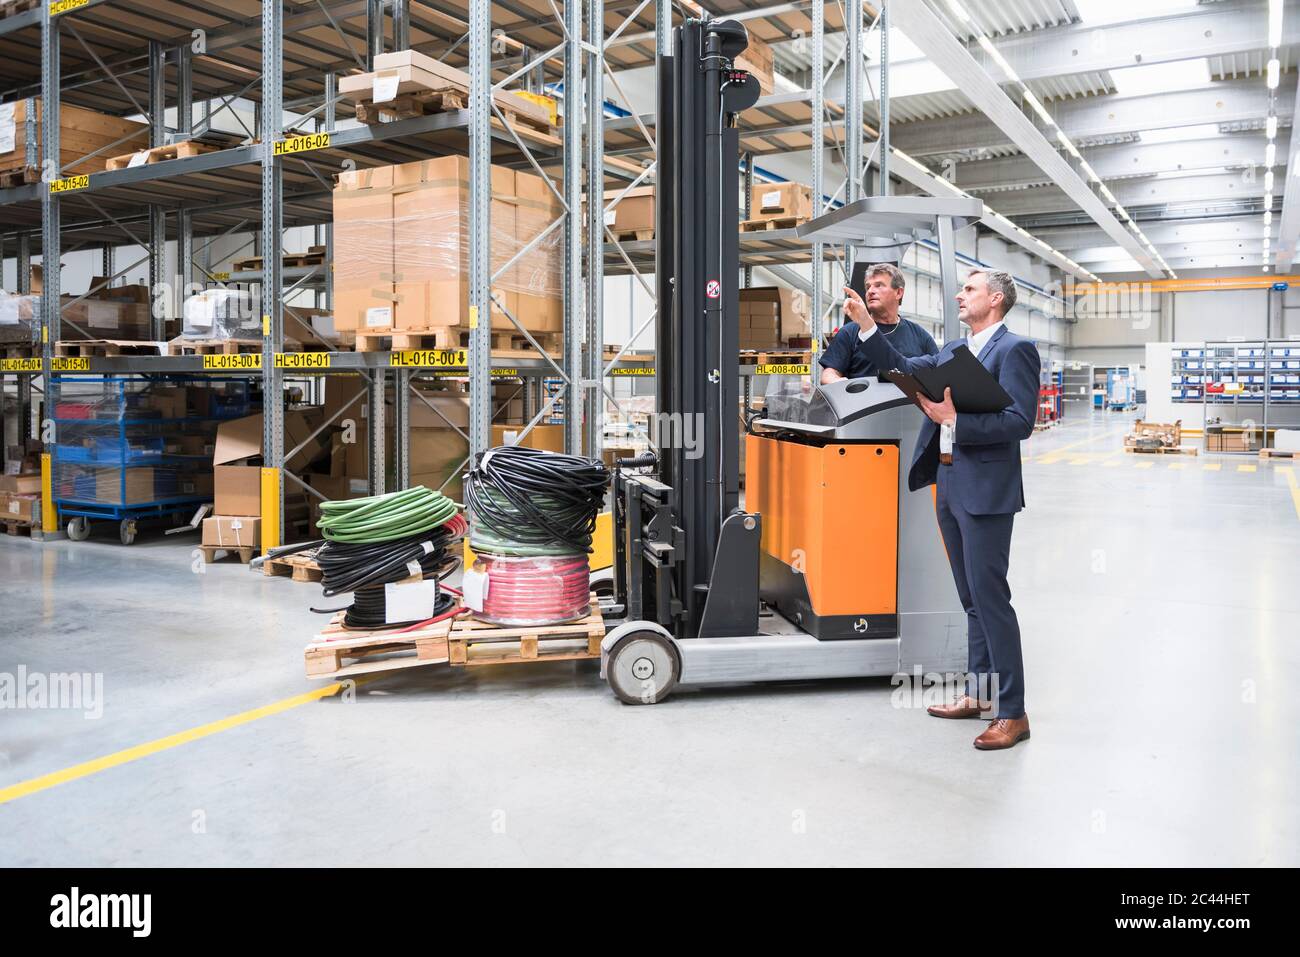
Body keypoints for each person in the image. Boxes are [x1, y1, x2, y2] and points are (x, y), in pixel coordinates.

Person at [844, 268, 1040, 751]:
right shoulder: (956, 350)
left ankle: (1013, 713)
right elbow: (906, 367)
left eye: (969, 289)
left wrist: (957, 419)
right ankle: (978, 693)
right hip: (950, 479)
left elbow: (1020, 420)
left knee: (991, 598)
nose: (959, 294)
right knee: (969, 598)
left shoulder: (1015, 350)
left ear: (995, 299)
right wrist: (866, 326)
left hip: (987, 488)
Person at [819, 263, 938, 384]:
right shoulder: (850, 332)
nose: (870, 291)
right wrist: (842, 383)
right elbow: (828, 374)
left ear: (899, 293)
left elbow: (938, 369)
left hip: (906, 402)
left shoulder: (919, 335)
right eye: (868, 286)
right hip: (864, 401)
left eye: (879, 285)